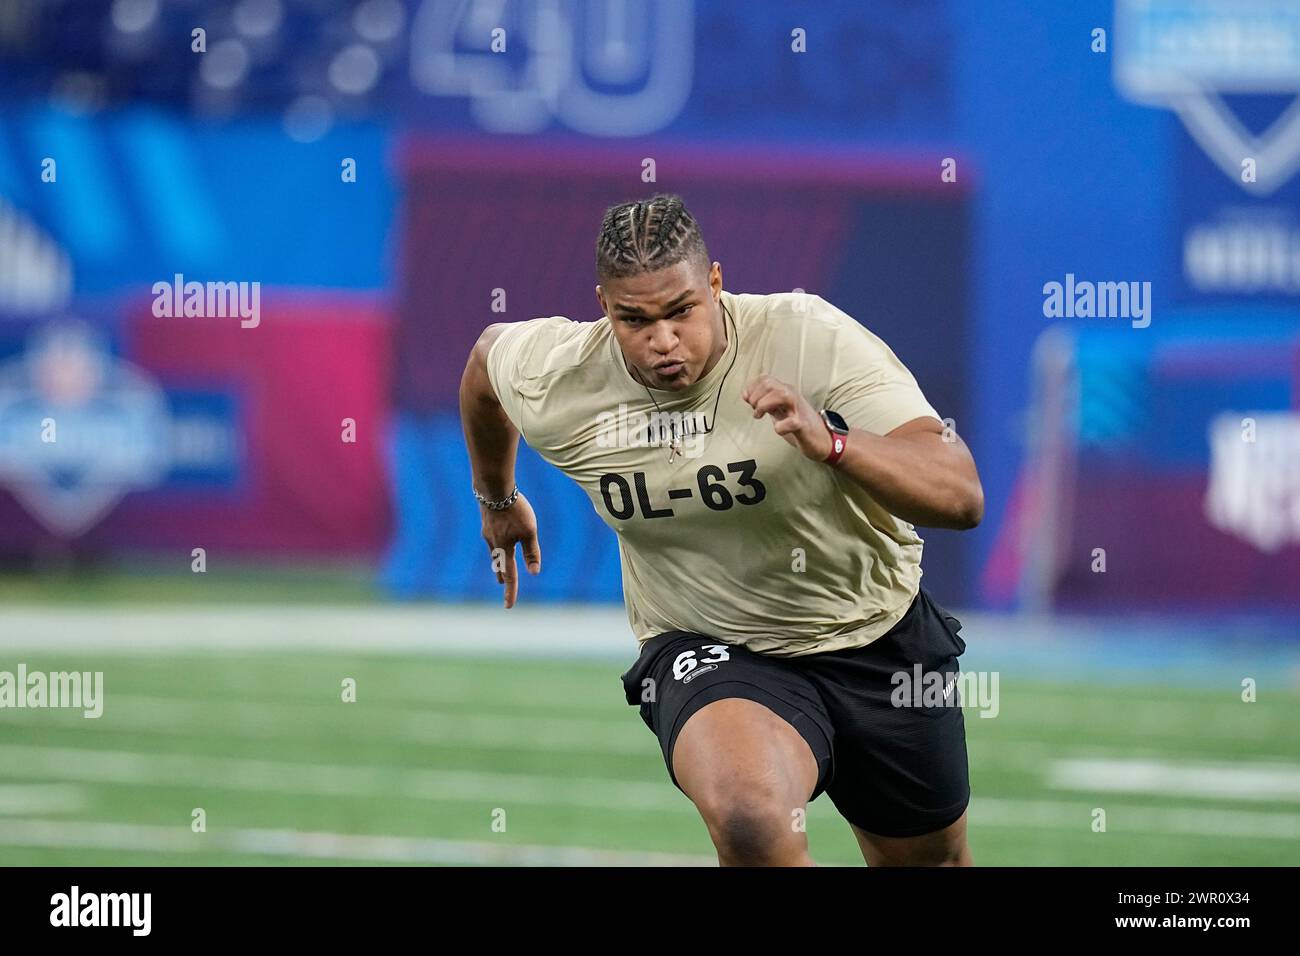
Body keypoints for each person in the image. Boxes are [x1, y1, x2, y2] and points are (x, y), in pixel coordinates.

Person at [459, 193, 983, 866]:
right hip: (709, 642)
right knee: (750, 815)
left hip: (874, 632)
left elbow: (960, 493)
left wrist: (836, 444)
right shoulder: (563, 375)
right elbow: (484, 366)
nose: (663, 340)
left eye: (681, 310)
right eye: (635, 319)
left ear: (715, 284)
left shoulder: (806, 336)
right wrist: (497, 499)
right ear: (603, 306)